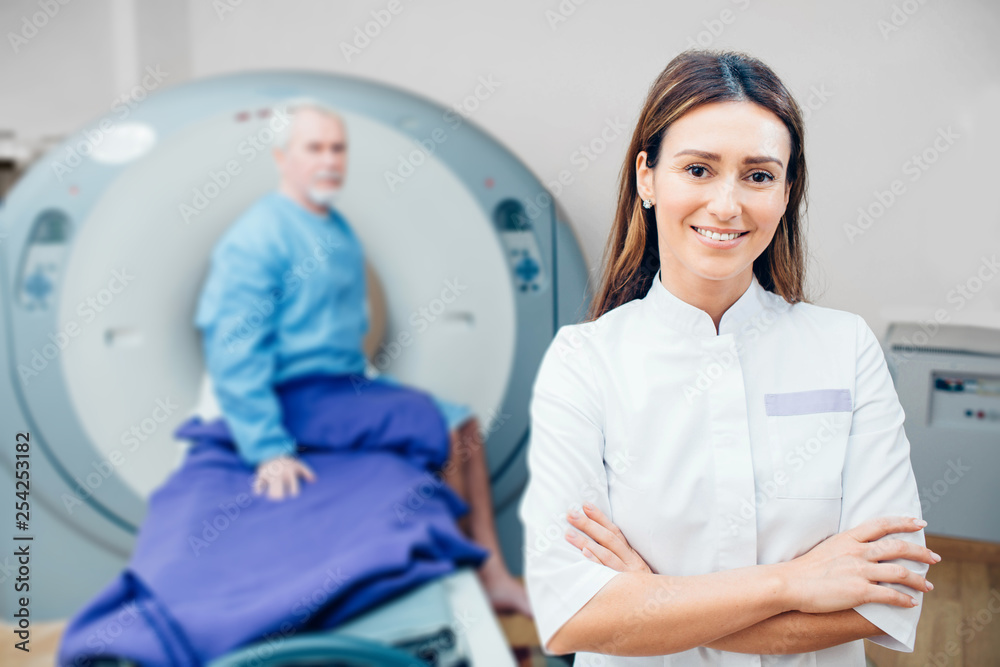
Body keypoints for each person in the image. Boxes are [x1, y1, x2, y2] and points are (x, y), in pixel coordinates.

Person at [518, 49, 938, 664]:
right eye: (697, 169)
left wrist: (647, 597)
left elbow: (886, 593)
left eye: (759, 175)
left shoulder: (846, 349)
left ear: (786, 191)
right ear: (647, 177)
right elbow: (573, 616)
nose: (726, 204)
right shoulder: (583, 363)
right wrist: (792, 582)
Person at [194, 99, 530, 616]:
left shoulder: (334, 226)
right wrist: (268, 449)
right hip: (295, 396)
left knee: (463, 424)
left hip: (341, 383)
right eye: (315, 148)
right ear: (283, 156)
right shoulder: (258, 236)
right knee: (435, 428)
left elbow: (340, 330)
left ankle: (490, 575)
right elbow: (232, 348)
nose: (329, 159)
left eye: (338, 147)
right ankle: (459, 586)